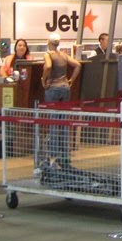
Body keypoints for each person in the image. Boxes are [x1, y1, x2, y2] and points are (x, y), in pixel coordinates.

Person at [41, 33, 81, 166]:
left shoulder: (48, 54)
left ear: (49, 42)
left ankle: (53, 152)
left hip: (53, 87)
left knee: (53, 120)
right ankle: (65, 153)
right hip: (65, 87)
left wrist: (44, 79)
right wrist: (71, 80)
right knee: (64, 121)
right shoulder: (64, 55)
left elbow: (48, 66)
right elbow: (78, 65)